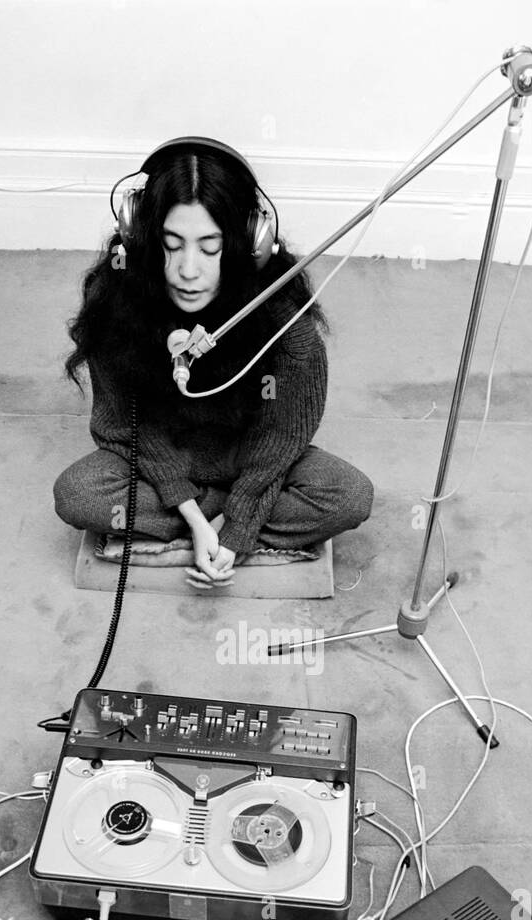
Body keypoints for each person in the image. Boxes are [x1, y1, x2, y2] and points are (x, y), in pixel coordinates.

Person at [54, 138, 373, 586]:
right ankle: (211, 525)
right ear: (141, 237)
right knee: (78, 495)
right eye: (171, 244)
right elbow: (123, 427)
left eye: (209, 247)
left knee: (348, 496)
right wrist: (196, 513)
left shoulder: (282, 316)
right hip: (161, 458)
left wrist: (236, 527)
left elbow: (283, 436)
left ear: (248, 244)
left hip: (251, 458)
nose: (188, 269)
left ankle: (207, 527)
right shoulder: (118, 303)